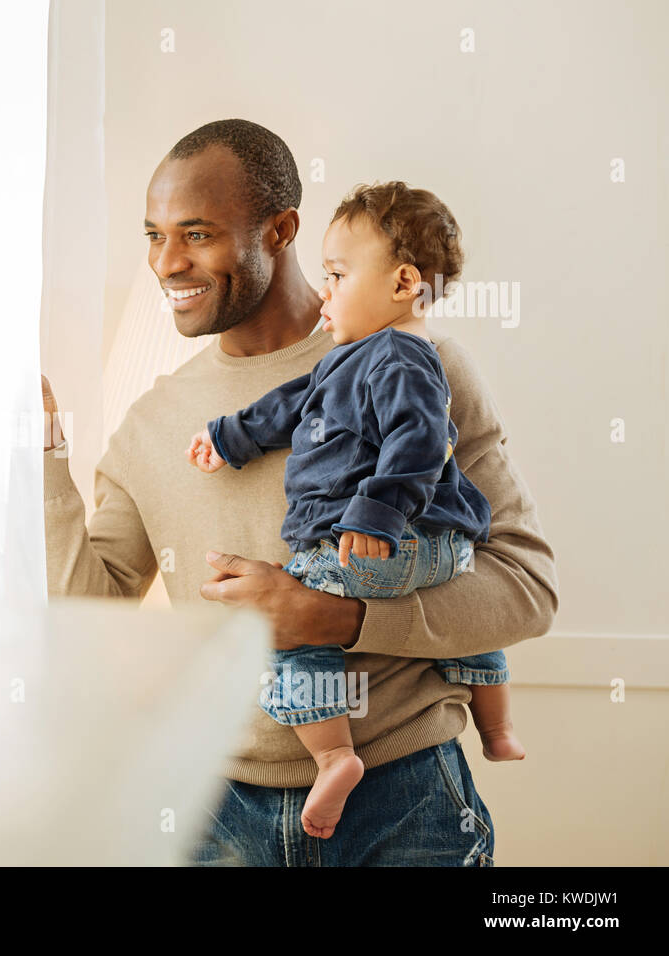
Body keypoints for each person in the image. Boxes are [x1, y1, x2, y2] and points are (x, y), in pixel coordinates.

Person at [41, 119, 558, 866]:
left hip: (404, 806)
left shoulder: (418, 363)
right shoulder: (154, 425)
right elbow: (91, 615)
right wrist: (44, 458)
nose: (166, 262)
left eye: (196, 233)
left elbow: (526, 587)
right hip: (214, 818)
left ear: (281, 229)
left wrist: (338, 616)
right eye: (153, 235)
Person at [187, 181, 523, 841]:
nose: (322, 293)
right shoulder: (346, 361)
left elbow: (419, 445)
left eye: (337, 275)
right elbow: (287, 404)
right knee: (471, 622)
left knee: (292, 619)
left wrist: (375, 514)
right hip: (435, 549)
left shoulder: (405, 359)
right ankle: (498, 726)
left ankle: (334, 754)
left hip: (397, 540)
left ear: (403, 283)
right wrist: (231, 436)